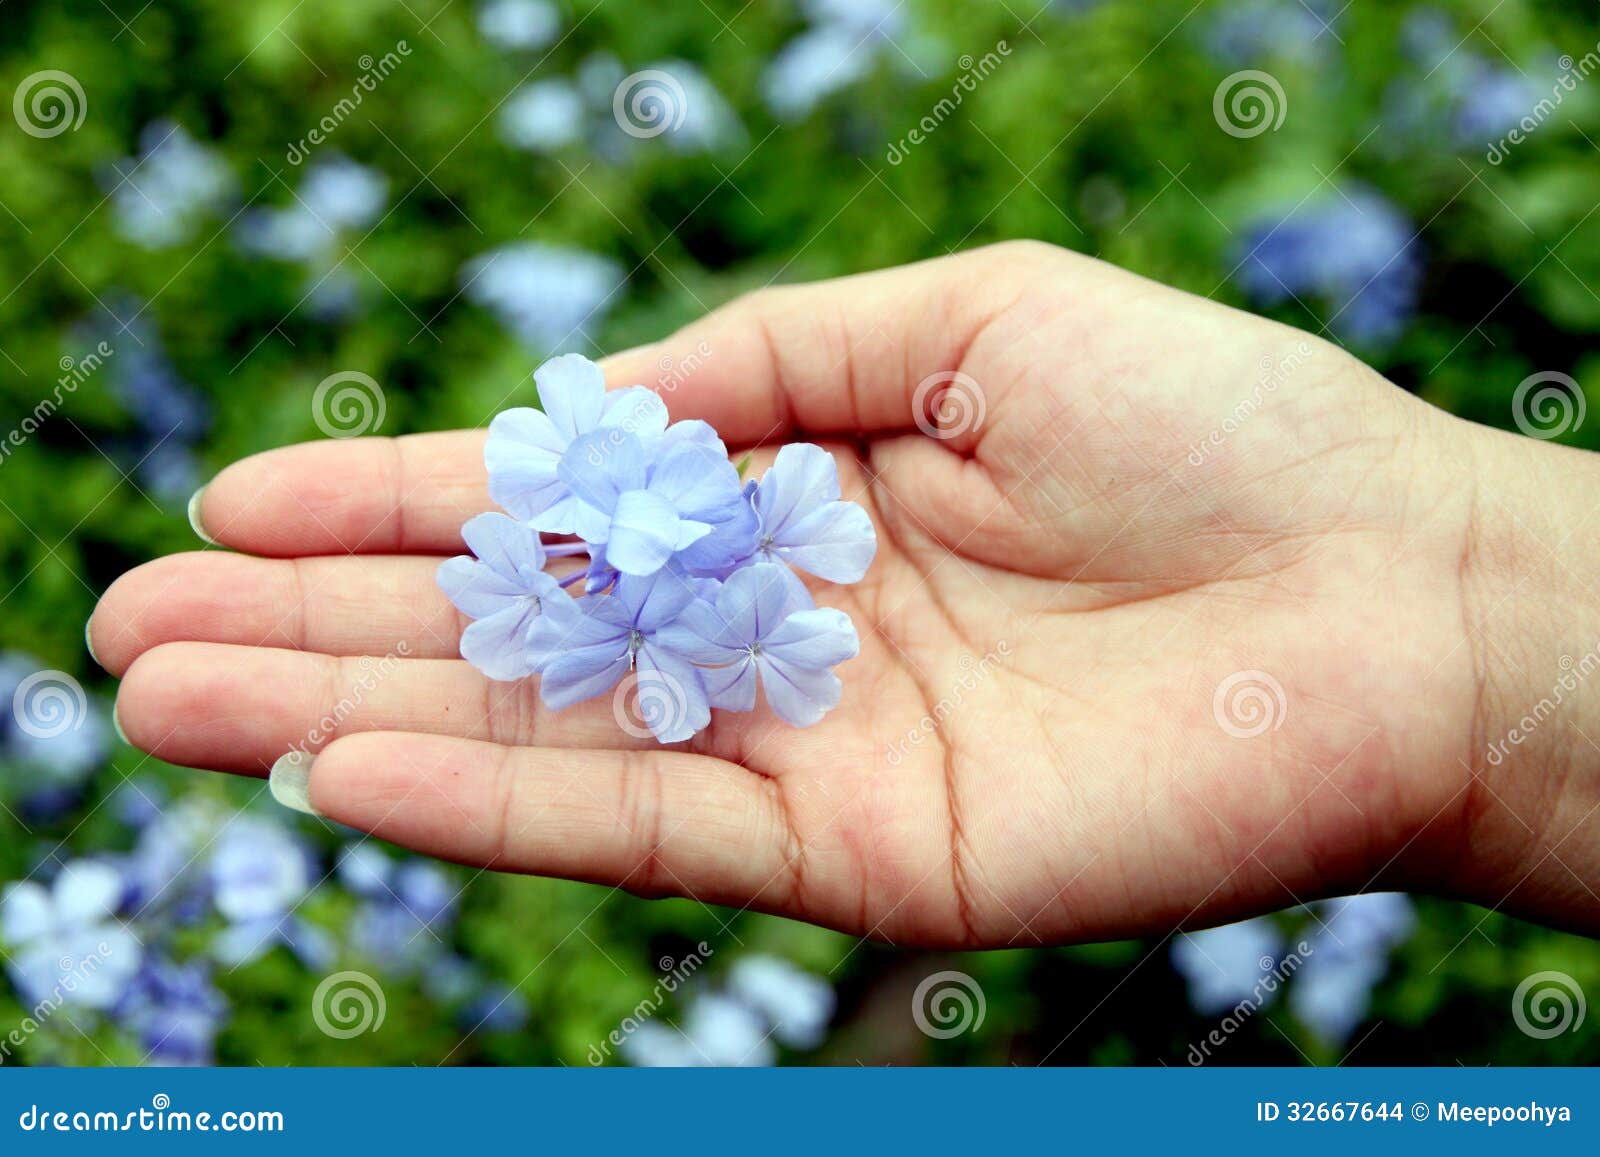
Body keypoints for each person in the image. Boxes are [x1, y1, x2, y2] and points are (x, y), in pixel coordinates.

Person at [87, 241, 1600, 947]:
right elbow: (619, 597)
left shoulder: (723, 535)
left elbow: (678, 588)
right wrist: (1469, 625)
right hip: (675, 598)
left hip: (717, 586)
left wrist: (1465, 603)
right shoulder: (606, 546)